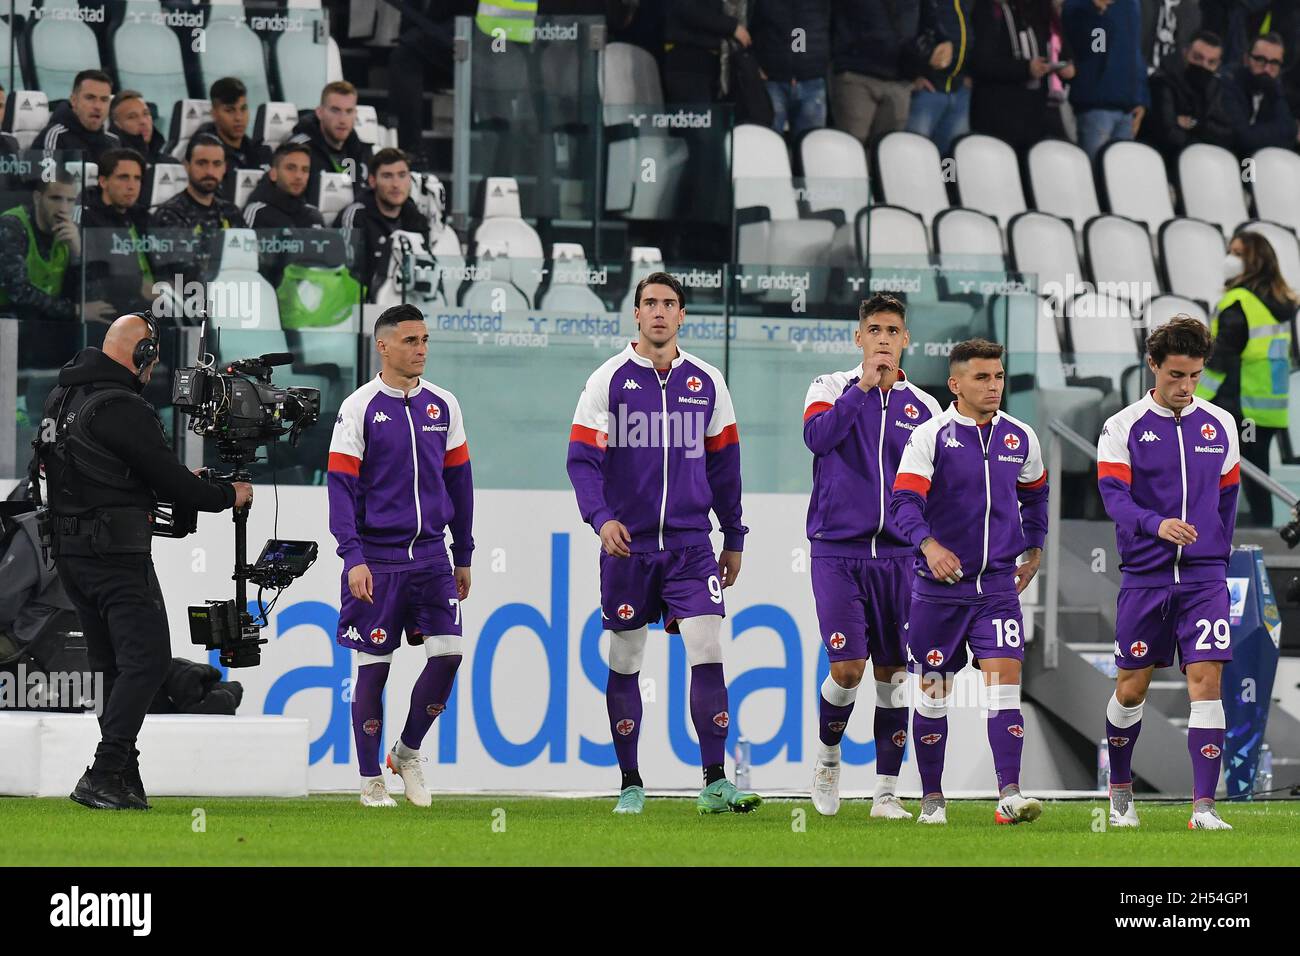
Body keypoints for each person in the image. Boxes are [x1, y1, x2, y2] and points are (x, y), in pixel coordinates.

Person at [32, 313, 252, 809]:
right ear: (143, 355)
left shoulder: (62, 396)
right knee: (148, 662)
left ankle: (122, 778)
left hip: (70, 553)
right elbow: (171, 483)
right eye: (152, 356)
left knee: (110, 665)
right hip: (115, 554)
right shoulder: (123, 407)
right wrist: (227, 494)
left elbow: (110, 469)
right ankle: (104, 771)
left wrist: (175, 479)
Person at [566, 270, 758, 816]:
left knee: (707, 646)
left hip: (691, 545)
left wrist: (734, 534)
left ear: (682, 315)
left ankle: (715, 782)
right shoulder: (607, 380)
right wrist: (601, 519)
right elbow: (581, 461)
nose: (658, 311)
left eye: (668, 303)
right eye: (649, 302)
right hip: (627, 546)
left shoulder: (707, 381)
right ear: (636, 314)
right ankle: (630, 782)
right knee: (626, 656)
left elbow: (726, 466)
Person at [891, 338, 1049, 826]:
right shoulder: (930, 436)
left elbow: (1035, 497)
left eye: (998, 376)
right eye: (981, 377)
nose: (993, 386)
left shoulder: (1020, 437)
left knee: (1005, 687)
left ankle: (1009, 795)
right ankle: (932, 799)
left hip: (997, 589)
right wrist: (928, 546)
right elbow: (903, 504)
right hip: (937, 593)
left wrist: (1034, 549)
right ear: (955, 384)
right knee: (933, 694)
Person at [802, 294, 943, 819]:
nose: (884, 339)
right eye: (875, 330)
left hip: (902, 559)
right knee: (847, 669)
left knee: (895, 674)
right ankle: (828, 757)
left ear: (906, 339)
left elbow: (939, 484)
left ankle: (886, 792)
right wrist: (862, 387)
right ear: (858, 337)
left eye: (893, 331)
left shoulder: (925, 409)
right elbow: (818, 439)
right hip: (838, 551)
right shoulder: (829, 387)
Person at [327, 303, 473, 808]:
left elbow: (460, 484)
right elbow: (340, 489)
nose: (421, 349)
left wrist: (463, 552)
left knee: (449, 656)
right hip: (377, 560)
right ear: (383, 346)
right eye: (411, 340)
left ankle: (407, 752)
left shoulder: (444, 405)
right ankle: (371, 779)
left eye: (425, 339)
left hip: (432, 558)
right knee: (374, 669)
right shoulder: (359, 408)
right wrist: (353, 557)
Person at [1096, 317, 1240, 830]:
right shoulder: (1122, 426)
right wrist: (1156, 526)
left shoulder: (1220, 424)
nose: (1185, 386)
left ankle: (1203, 807)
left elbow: (1227, 498)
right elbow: (1114, 498)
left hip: (1204, 579)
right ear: (1153, 365)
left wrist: (1216, 555)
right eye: (1176, 375)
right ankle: (1120, 792)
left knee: (1207, 680)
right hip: (1146, 577)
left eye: (1195, 375)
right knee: (1132, 688)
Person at [1195, 231, 1296, 527]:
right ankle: (1264, 535)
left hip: (1235, 403)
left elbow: (1221, 357)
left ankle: (1211, 536)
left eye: (1238, 253)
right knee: (1256, 478)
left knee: (1214, 474)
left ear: (1255, 261)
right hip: (1267, 408)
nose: (1230, 259)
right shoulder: (1278, 304)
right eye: (1231, 251)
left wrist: (1195, 394)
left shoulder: (1238, 301)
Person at [0, 169, 114, 329]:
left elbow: (95, 301)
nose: (63, 208)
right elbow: (18, 292)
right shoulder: (12, 226)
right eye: (55, 198)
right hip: (9, 323)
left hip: (49, 326)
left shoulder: (71, 233)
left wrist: (78, 253)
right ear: (37, 198)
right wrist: (75, 310)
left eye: (70, 200)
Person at [831, 0, 953, 144]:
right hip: (856, 75)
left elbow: (929, 19)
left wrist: (922, 65)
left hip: (900, 79)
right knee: (851, 147)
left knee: (889, 149)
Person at [148, 134, 242, 298]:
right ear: (186, 166)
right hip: (190, 305)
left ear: (224, 168)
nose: (210, 171)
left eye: (216, 164)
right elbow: (183, 276)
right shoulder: (170, 214)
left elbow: (250, 260)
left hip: (233, 298)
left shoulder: (231, 212)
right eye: (202, 163)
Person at [969, 0, 1072, 149]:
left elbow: (1060, 49)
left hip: (1036, 113)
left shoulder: (1039, 11)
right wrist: (1026, 68)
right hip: (998, 113)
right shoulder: (989, 9)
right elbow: (981, 63)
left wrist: (1067, 65)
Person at [334, 147, 430, 300]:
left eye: (402, 175)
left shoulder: (417, 219)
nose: (396, 184)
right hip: (365, 307)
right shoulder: (356, 216)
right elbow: (347, 277)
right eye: (387, 176)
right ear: (372, 181)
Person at [1063, 0, 1150, 159]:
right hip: (1096, 104)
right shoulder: (1082, 6)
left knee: (1120, 171)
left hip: (1128, 108)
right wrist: (1094, 9)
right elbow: (1095, 48)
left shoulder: (1133, 3)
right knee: (1095, 169)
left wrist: (1141, 98)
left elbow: (1136, 50)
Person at [78, 148, 155, 317]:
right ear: (103, 181)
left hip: (153, 306)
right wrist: (137, 286)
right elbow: (91, 276)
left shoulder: (143, 217)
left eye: (137, 178)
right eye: (123, 177)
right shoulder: (88, 220)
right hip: (114, 310)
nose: (132, 186)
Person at [1142, 30, 1235, 166]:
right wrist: (1203, 136)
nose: (1203, 65)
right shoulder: (1163, 81)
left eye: (1211, 62)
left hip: (1205, 163)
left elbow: (1228, 133)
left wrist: (1195, 124)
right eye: (1197, 58)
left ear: (1218, 65)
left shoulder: (1219, 88)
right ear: (1185, 53)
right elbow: (1167, 132)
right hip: (1161, 161)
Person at [749, 0, 831, 138]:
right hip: (772, 80)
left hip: (812, 79)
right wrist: (756, 64)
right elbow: (752, 28)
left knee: (811, 144)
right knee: (768, 142)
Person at [906, 0, 975, 156]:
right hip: (927, 90)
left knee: (950, 157)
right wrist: (912, 75)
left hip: (960, 91)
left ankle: (946, 174)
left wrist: (970, 73)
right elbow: (905, 33)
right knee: (915, 153)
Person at [288, 81, 374, 205]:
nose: (342, 119)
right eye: (335, 110)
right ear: (320, 113)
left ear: (355, 114)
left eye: (349, 111)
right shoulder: (298, 148)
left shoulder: (361, 150)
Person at [194, 77, 271, 202]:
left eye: (243, 109)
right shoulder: (203, 156)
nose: (239, 117)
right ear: (214, 114)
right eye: (230, 110)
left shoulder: (260, 152)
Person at [662, 0, 751, 103]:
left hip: (716, 64)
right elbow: (689, 9)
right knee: (697, 109)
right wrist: (733, 27)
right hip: (688, 60)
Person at [1222, 32, 1298, 155]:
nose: (1267, 69)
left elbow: (1290, 134)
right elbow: (1242, 138)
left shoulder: (1274, 88)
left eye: (1274, 63)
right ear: (1246, 59)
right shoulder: (1229, 82)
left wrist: (1289, 131)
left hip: (1256, 160)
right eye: (1260, 60)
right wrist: (1288, 131)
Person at [37, 69, 120, 164]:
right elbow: (43, 173)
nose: (98, 106)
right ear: (73, 100)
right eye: (90, 98)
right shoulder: (54, 137)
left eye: (104, 100)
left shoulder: (113, 142)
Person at [109, 91, 169, 166]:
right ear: (117, 124)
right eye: (132, 117)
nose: (143, 121)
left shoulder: (169, 163)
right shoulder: (114, 163)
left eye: (146, 113)